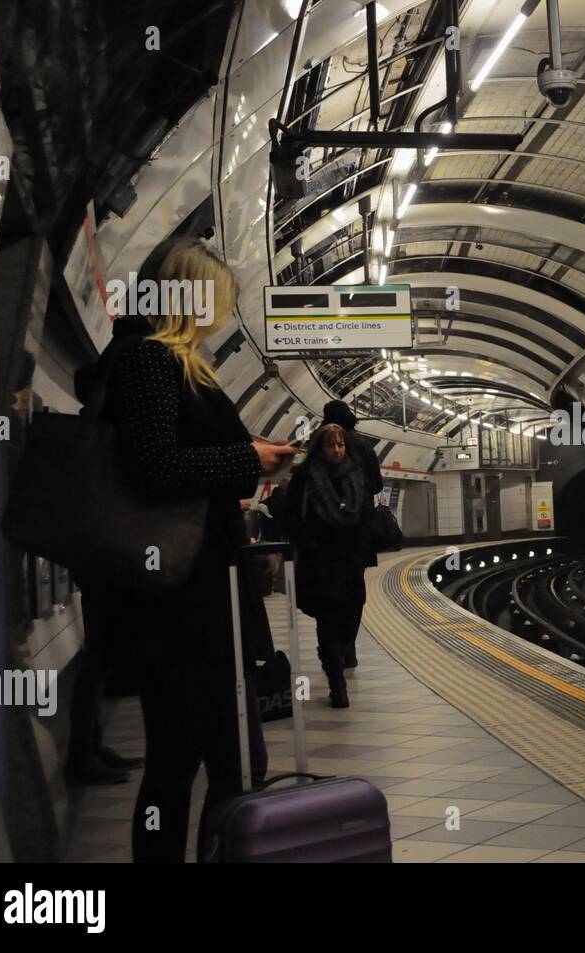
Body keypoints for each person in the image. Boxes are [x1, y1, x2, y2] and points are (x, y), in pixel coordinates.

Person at [78, 236, 296, 862]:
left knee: (195, 760)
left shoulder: (172, 362)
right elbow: (155, 465)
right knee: (208, 762)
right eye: (218, 300)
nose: (223, 315)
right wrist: (245, 457)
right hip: (182, 604)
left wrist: (249, 457)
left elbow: (178, 457)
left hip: (192, 595)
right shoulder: (151, 360)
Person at [285, 423, 375, 708]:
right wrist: (311, 548)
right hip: (320, 562)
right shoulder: (305, 478)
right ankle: (337, 682)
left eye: (341, 445)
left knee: (350, 617)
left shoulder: (357, 477)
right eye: (331, 445)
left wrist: (360, 551)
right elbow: (291, 519)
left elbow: (366, 516)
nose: (337, 450)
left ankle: (337, 655)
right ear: (319, 449)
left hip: (349, 561)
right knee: (328, 621)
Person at [319, 399, 382, 668]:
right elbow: (377, 485)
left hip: (327, 534)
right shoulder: (364, 447)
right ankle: (349, 648)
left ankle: (330, 648)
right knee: (354, 591)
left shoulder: (320, 444)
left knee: (327, 592)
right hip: (359, 533)